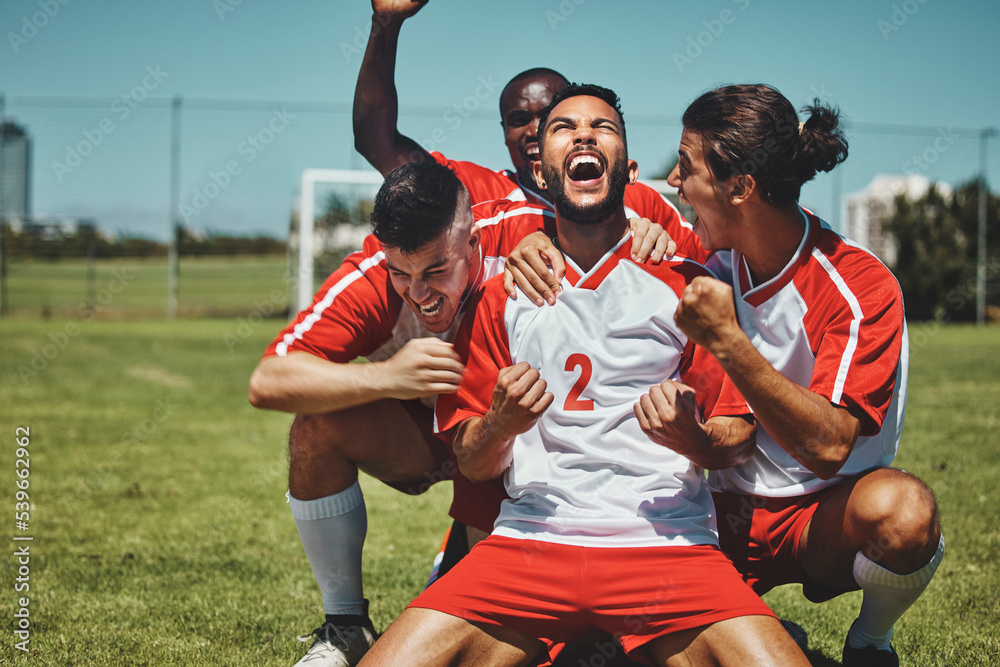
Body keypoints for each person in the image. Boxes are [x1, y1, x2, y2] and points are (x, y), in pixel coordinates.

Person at [358, 83, 811, 667]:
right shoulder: (502, 294)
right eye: (563, 127)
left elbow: (739, 438)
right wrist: (500, 424)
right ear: (539, 173)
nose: (584, 136)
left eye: (603, 127)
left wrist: (692, 437)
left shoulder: (687, 287)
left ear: (629, 169)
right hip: (529, 546)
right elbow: (472, 463)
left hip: (666, 548)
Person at [249, 160, 667, 667]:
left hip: (532, 445)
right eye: (400, 274)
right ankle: (346, 626)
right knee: (316, 426)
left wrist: (651, 230)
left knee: (532, 632)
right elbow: (268, 379)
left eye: (435, 271)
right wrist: (389, 377)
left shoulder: (525, 231)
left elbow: (632, 217)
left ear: (473, 242)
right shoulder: (372, 276)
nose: (418, 293)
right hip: (436, 439)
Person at [661, 83, 944, 666]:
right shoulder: (707, 255)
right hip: (722, 510)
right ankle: (759, 623)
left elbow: (829, 447)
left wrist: (730, 342)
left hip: (825, 517)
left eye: (686, 166)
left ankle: (871, 642)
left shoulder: (859, 285)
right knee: (619, 643)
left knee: (906, 514)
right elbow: (605, 219)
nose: (673, 181)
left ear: (740, 188)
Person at [352, 0, 702, 273]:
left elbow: (706, 261)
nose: (534, 130)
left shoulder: (637, 199)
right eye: (519, 120)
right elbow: (377, 143)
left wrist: (662, 240)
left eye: (552, 119)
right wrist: (386, 24)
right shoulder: (475, 193)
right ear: (504, 133)